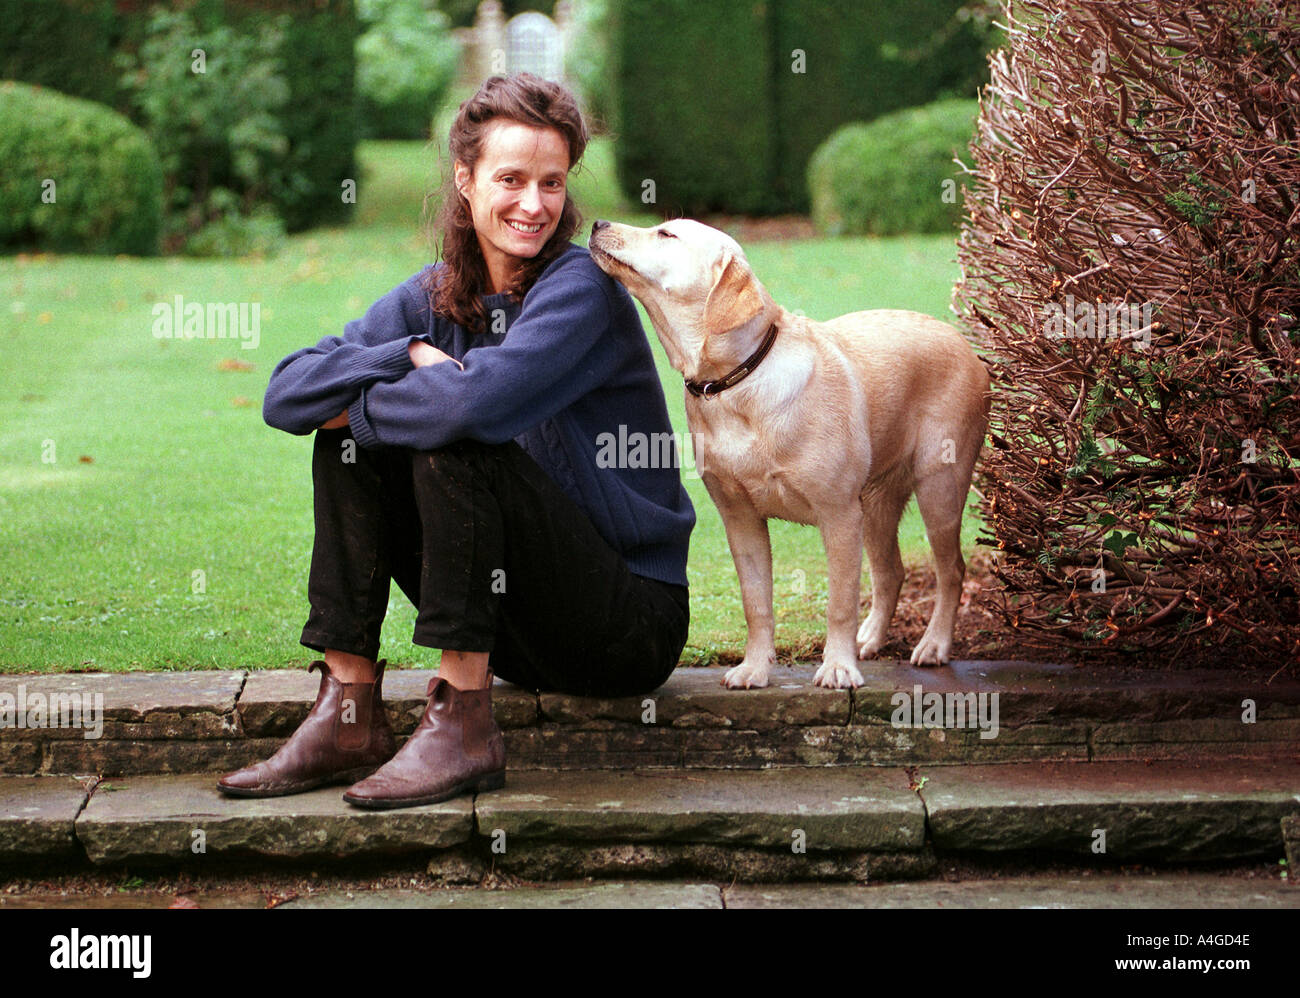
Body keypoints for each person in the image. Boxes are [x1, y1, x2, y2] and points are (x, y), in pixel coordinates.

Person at [217, 73, 695, 810]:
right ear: (466, 181)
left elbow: (478, 405)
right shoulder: (432, 295)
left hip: (625, 622)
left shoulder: (582, 289)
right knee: (346, 447)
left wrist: (364, 411)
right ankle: (348, 713)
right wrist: (403, 356)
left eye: (552, 183)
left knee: (448, 438)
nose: (533, 205)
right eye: (511, 179)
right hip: (521, 626)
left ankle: (464, 722)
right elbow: (287, 394)